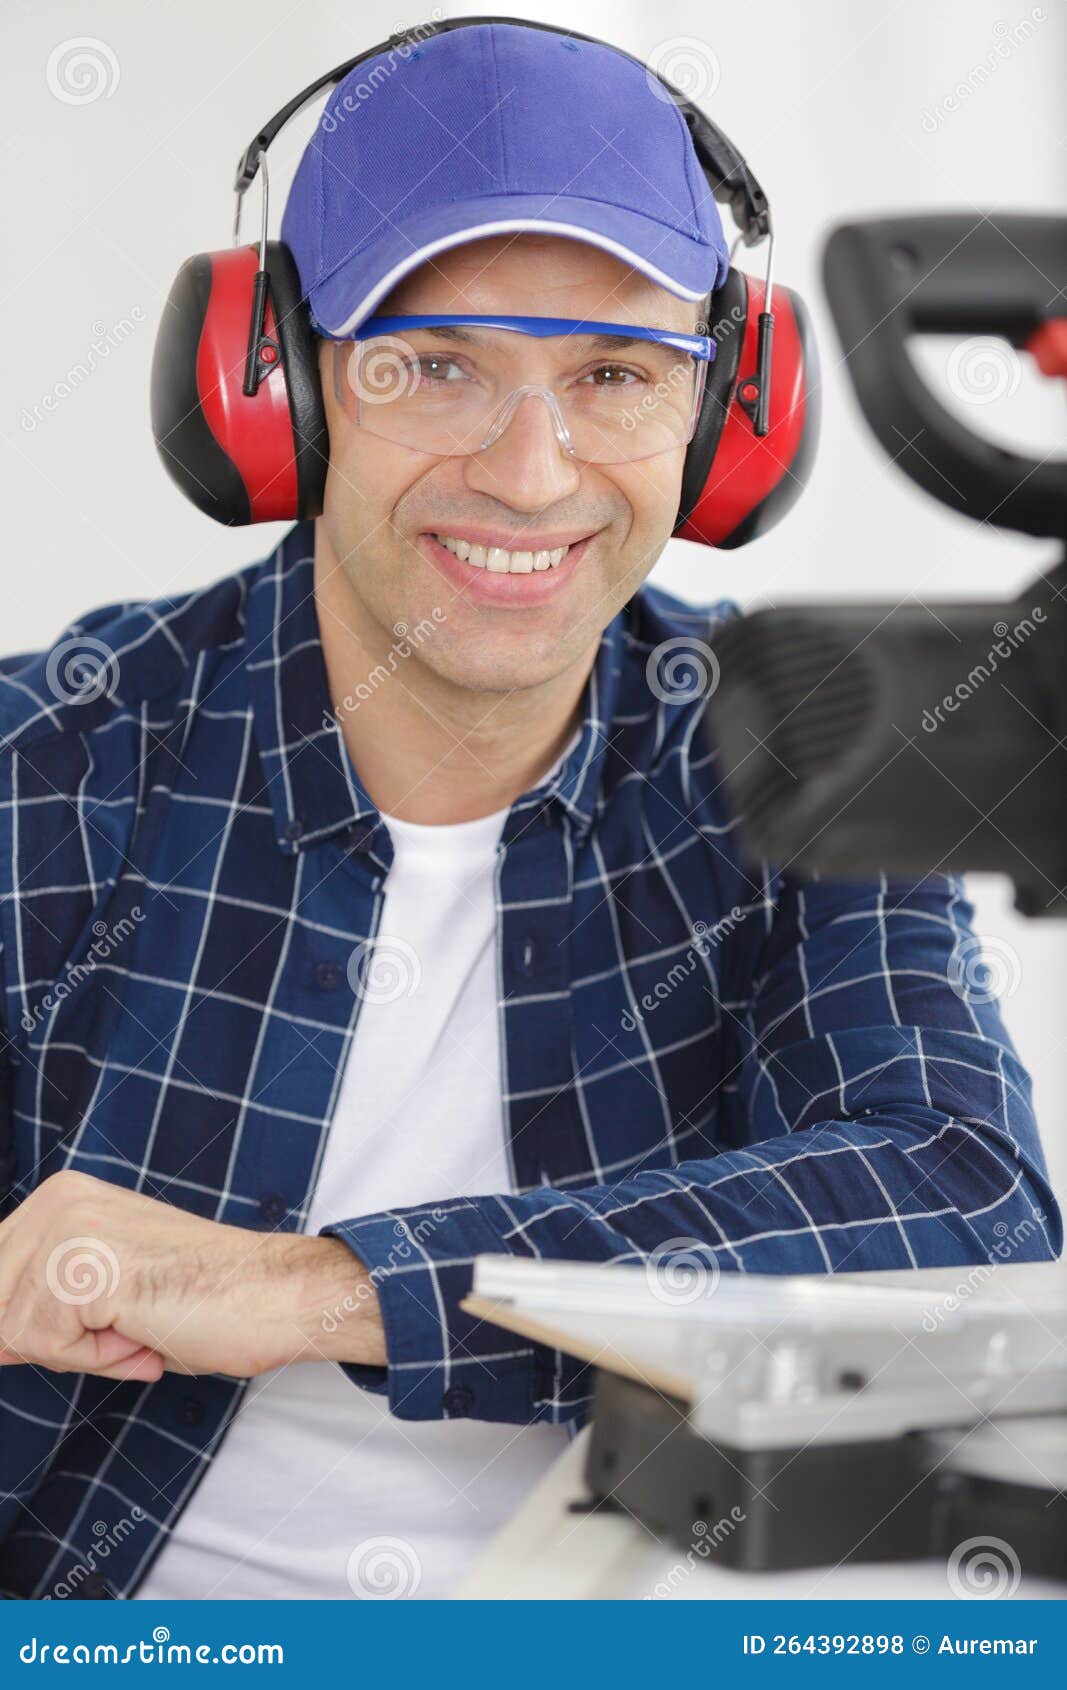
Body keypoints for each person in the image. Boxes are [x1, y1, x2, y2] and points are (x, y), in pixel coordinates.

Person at [0, 20, 1059, 1602]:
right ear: (277, 383)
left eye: (617, 375)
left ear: (724, 419)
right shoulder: (46, 765)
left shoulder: (798, 748)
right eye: (435, 364)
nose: (534, 469)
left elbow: (960, 1199)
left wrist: (330, 1287)